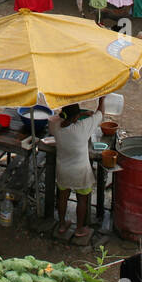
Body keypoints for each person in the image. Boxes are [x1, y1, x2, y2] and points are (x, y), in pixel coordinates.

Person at [48, 103, 103, 241]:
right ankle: (79, 228)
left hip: (63, 169)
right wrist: (102, 98)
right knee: (82, 199)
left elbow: (56, 118)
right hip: (80, 171)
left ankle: (61, 225)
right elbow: (100, 114)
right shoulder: (81, 128)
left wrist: (80, 114)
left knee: (62, 197)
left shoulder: (55, 126)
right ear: (76, 118)